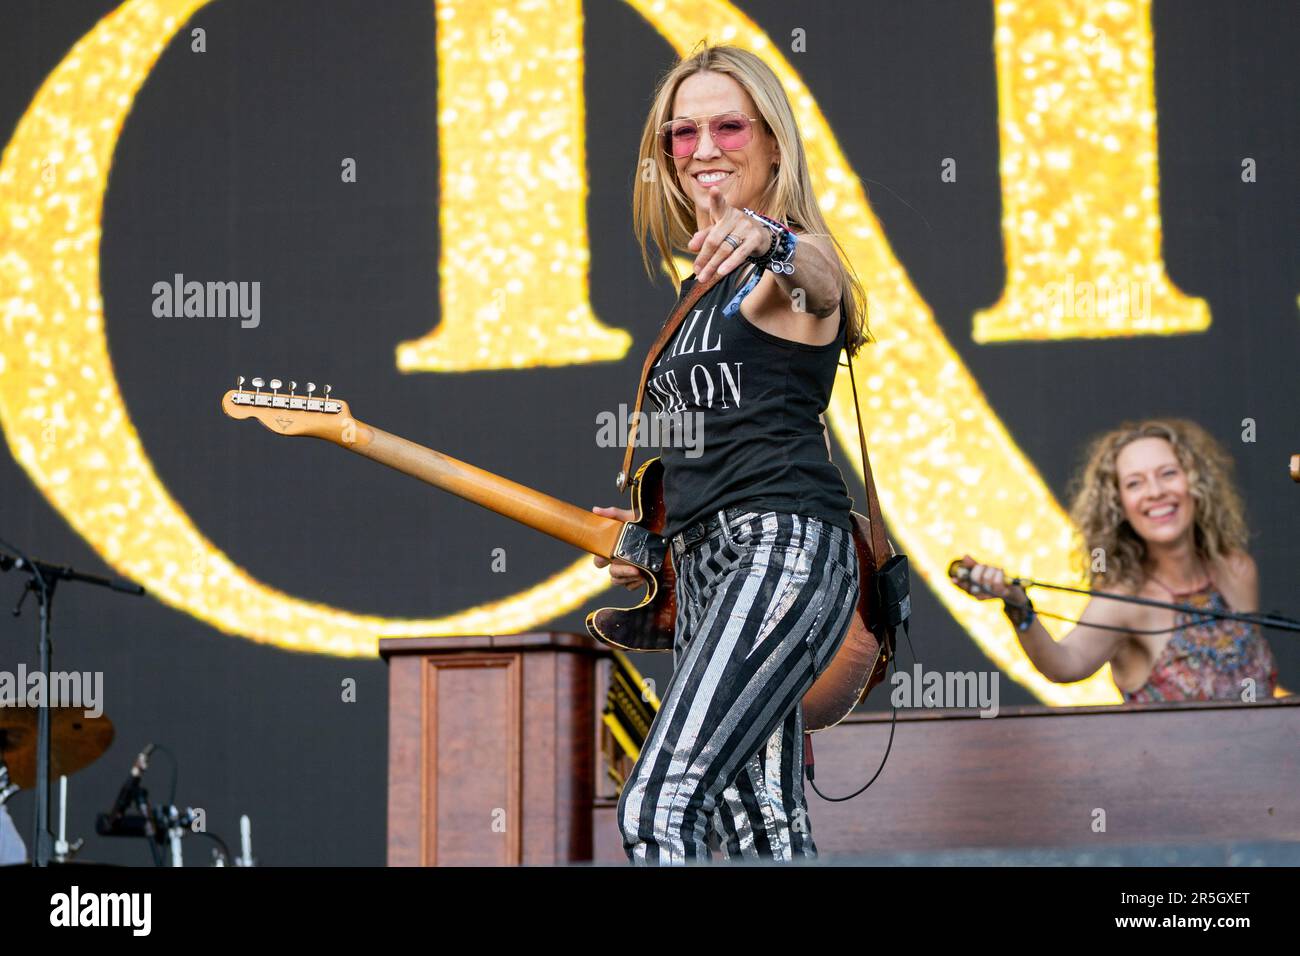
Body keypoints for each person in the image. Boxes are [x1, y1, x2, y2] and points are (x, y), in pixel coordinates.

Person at [591, 41, 871, 865]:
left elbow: (828, 281)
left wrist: (772, 241)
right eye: (683, 134)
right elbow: (719, 445)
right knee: (764, 832)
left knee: (660, 806)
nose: (704, 149)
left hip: (778, 550)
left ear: (773, 143)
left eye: (728, 127)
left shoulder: (779, 266)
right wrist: (652, 532)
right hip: (706, 567)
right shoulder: (699, 286)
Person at [951, 419, 1278, 703]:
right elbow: (1064, 665)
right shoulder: (1124, 600)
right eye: (1135, 483)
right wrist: (1017, 606)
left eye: (1167, 474)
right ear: (1118, 505)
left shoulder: (1237, 570)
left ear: (1196, 484)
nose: (1155, 492)